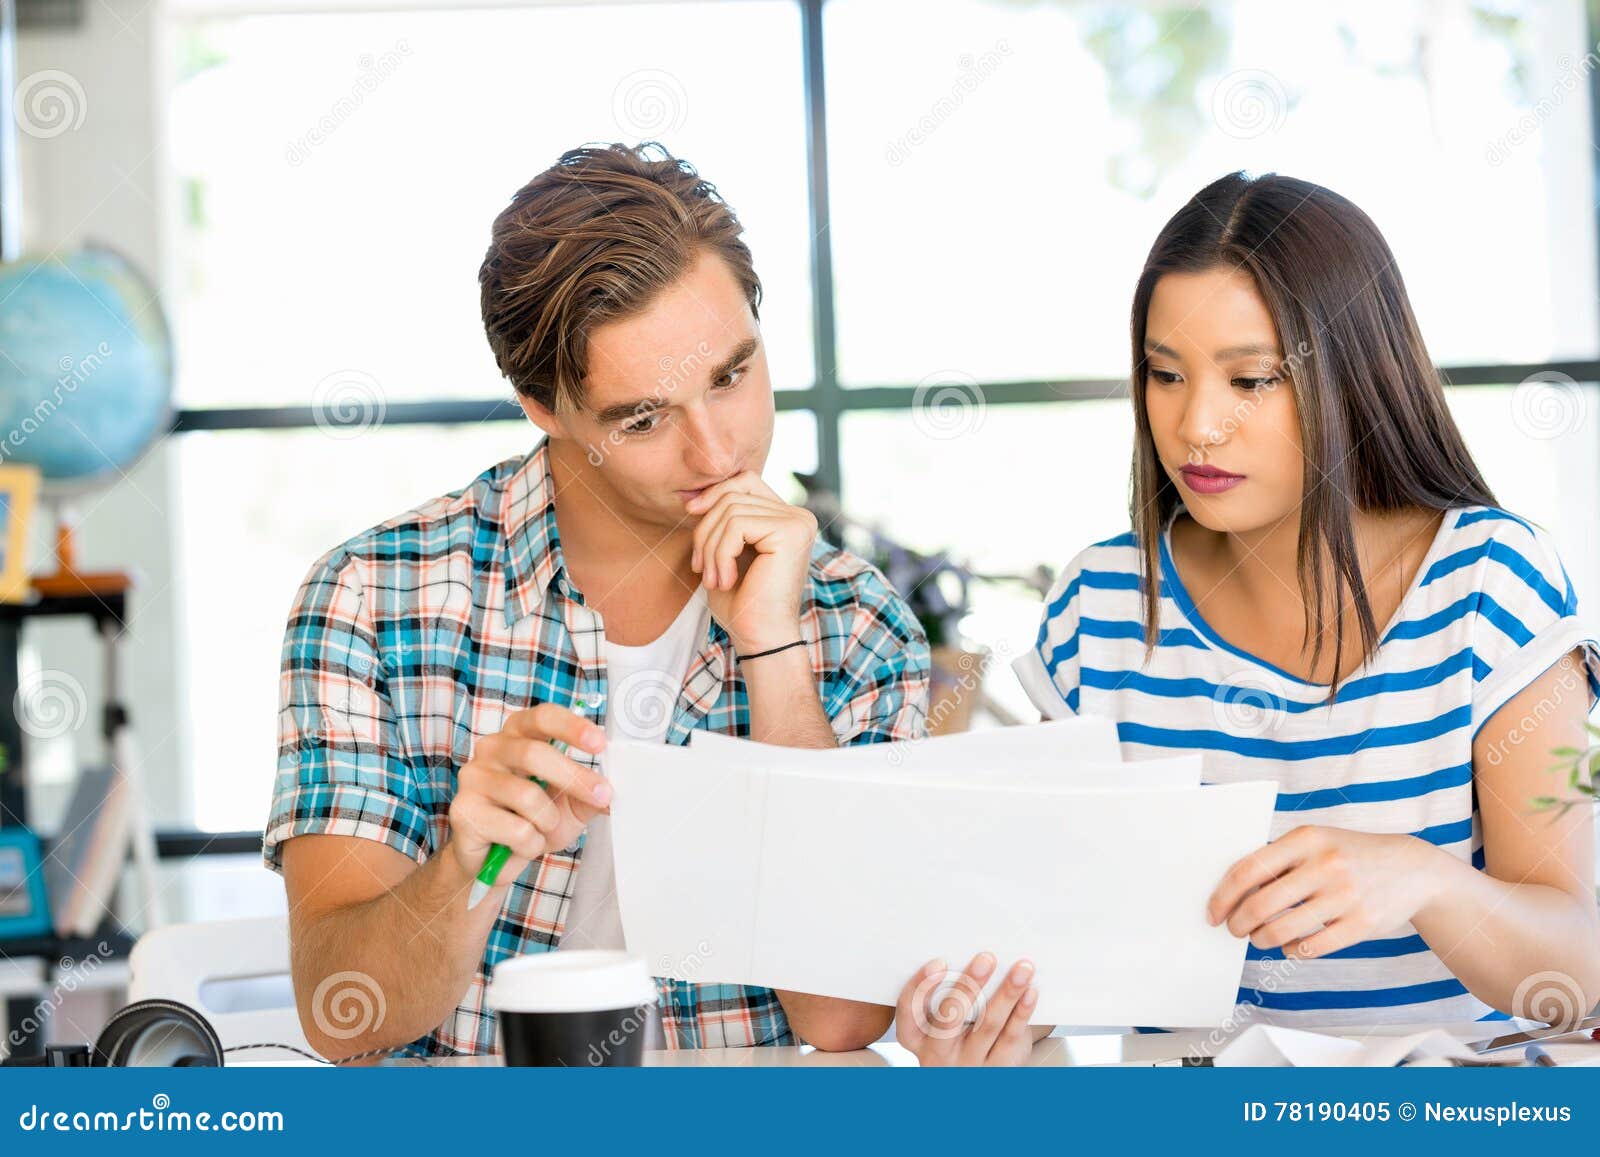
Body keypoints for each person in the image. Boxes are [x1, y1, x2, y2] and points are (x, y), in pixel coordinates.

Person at [264, 142, 930, 1060]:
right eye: (645, 418)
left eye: (732, 375)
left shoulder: (857, 622)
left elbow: (842, 1018)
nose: (717, 454)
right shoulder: (371, 601)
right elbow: (347, 1019)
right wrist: (466, 865)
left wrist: (774, 651)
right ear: (544, 406)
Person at [926, 171, 1600, 1063]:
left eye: (1251, 378)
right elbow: (1058, 939)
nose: (1197, 424)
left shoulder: (1491, 584)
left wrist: (1425, 880)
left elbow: (1578, 968)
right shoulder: (1101, 605)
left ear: (1355, 377)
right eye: (1165, 374)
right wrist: (998, 1017)